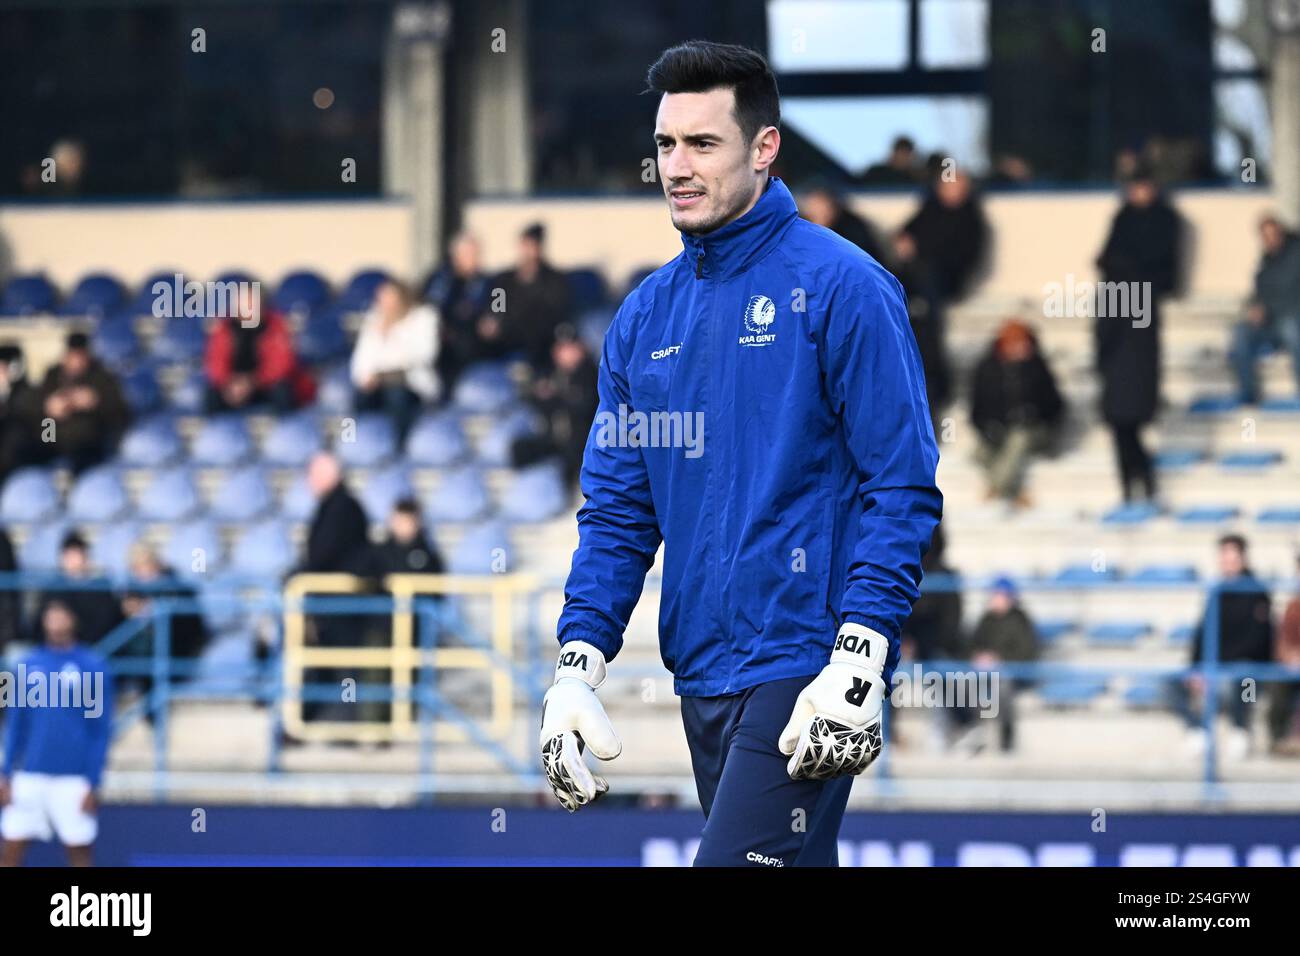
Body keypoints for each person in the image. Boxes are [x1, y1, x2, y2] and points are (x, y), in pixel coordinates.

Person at [541, 41, 941, 867]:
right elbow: (618, 511)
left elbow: (899, 486)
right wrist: (578, 663)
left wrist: (860, 654)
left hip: (806, 664)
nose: (676, 167)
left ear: (764, 149)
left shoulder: (846, 287)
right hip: (702, 672)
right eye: (665, 145)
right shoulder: (644, 318)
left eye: (703, 144)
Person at [0, 599, 114, 867]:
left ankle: (84, 909)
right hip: (30, 774)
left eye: (62, 614)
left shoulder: (93, 667)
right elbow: (15, 724)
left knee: (79, 852)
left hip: (73, 779)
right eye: (51, 614)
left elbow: (100, 729)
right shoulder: (24, 666)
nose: (56, 620)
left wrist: (94, 781)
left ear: (73, 620)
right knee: (12, 848)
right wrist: (5, 773)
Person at [1094, 167, 1183, 504]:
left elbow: (1108, 336)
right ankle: (1136, 487)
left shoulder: (1164, 220)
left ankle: (1139, 485)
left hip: (1128, 379)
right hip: (1125, 379)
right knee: (1123, 430)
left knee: (1125, 428)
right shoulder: (1123, 219)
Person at [1175, 535, 1273, 759]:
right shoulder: (1215, 592)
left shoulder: (1257, 593)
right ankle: (1198, 730)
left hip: (1247, 673)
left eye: (1232, 555)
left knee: (1245, 683)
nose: (1227, 561)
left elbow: (1258, 641)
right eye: (1224, 555)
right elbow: (1201, 634)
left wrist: (1219, 666)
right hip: (1214, 668)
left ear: (1243, 558)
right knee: (1169, 684)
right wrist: (1197, 668)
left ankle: (1241, 730)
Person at [298, 452, 371, 723]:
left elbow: (323, 553)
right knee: (327, 663)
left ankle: (346, 722)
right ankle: (312, 718)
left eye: (313, 475)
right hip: (333, 602)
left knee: (346, 666)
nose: (309, 481)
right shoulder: (336, 505)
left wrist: (302, 574)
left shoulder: (342, 507)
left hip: (342, 604)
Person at [969, 320, 1065, 505]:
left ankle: (996, 489)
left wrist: (1035, 415)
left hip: (1034, 431)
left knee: (1018, 440)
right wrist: (988, 427)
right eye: (1014, 344)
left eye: (1023, 343)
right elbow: (977, 408)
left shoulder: (1037, 368)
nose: (1020, 348)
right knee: (980, 453)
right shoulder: (987, 369)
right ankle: (1015, 492)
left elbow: (1055, 406)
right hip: (1000, 430)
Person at [350, 279, 439, 444]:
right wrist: (366, 377)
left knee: (396, 396)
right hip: (377, 384)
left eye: (390, 299)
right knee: (356, 399)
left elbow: (424, 354)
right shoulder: (373, 321)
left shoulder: (423, 318)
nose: (386, 305)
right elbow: (361, 360)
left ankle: (400, 445)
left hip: (409, 384)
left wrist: (393, 335)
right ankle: (352, 444)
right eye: (382, 299)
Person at [510, 324, 600, 486]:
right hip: (554, 437)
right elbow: (532, 399)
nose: (564, 353)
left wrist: (554, 396)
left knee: (574, 452)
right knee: (520, 449)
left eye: (569, 347)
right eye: (561, 347)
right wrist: (541, 394)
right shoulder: (553, 373)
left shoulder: (592, 373)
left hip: (583, 442)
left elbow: (584, 405)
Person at [119, 543, 209, 704]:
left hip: (172, 654)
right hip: (140, 657)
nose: (142, 571)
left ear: (156, 564)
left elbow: (192, 630)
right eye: (137, 567)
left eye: (146, 564)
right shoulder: (129, 593)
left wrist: (149, 613)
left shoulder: (179, 591)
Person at [203, 288, 315, 414]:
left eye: (252, 303)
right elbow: (215, 361)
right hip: (233, 386)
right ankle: (215, 432)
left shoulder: (277, 325)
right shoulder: (223, 327)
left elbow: (282, 363)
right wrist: (229, 382)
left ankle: (287, 430)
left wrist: (252, 382)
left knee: (282, 391)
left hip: (265, 385)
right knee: (211, 395)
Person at [481, 222, 573, 373]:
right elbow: (496, 311)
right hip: (507, 344)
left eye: (532, 246)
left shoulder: (555, 281)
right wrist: (491, 325)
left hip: (542, 347)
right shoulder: (503, 281)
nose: (528, 251)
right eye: (525, 245)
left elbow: (559, 316)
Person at [33, 332, 130, 475]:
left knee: (83, 452)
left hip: (87, 440)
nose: (77, 362)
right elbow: (39, 409)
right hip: (53, 435)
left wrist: (96, 402)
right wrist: (50, 408)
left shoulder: (102, 377)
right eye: (73, 357)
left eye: (81, 357)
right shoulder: (53, 375)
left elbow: (121, 414)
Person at [962, 577, 1039, 753]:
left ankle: (1006, 737)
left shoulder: (1021, 620)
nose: (995, 599)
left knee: (1002, 686)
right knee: (964, 682)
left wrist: (999, 660)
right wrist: (978, 657)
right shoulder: (987, 619)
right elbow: (972, 644)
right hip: (985, 672)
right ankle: (975, 731)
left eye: (999, 595)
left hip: (1012, 672)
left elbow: (1027, 652)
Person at [1230, 215, 1300, 405]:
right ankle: (1248, 394)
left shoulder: (1295, 256)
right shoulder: (1264, 263)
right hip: (1270, 323)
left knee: (1292, 329)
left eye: (1274, 234)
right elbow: (1258, 294)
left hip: (1292, 320)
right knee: (1240, 332)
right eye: (1266, 236)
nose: (1270, 239)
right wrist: (1256, 308)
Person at [425, 232, 491, 394]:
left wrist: (495, 319)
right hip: (440, 342)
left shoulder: (490, 282)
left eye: (476, 254)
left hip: (474, 342)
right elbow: (428, 308)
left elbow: (499, 307)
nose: (474, 259)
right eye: (468, 254)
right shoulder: (438, 280)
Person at [32, 531, 123, 646]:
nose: (72, 561)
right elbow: (37, 627)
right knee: (19, 659)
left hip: (94, 652)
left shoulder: (101, 589)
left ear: (85, 557)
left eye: (75, 555)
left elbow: (110, 625)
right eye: (68, 555)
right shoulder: (52, 589)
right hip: (56, 653)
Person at [797, 182, 887, 264]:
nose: (818, 211)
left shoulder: (853, 229)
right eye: (814, 206)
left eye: (822, 206)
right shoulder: (800, 227)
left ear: (834, 206)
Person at [1267, 554, 1300, 756]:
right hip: (1248, 670)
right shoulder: (1292, 607)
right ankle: (1275, 739)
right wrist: (1290, 657)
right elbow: (1282, 642)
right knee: (1249, 686)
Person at [0, 343, 43, 485]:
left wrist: (50, 445)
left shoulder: (30, 394)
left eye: (3, 367)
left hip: (21, 458)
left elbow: (48, 426)